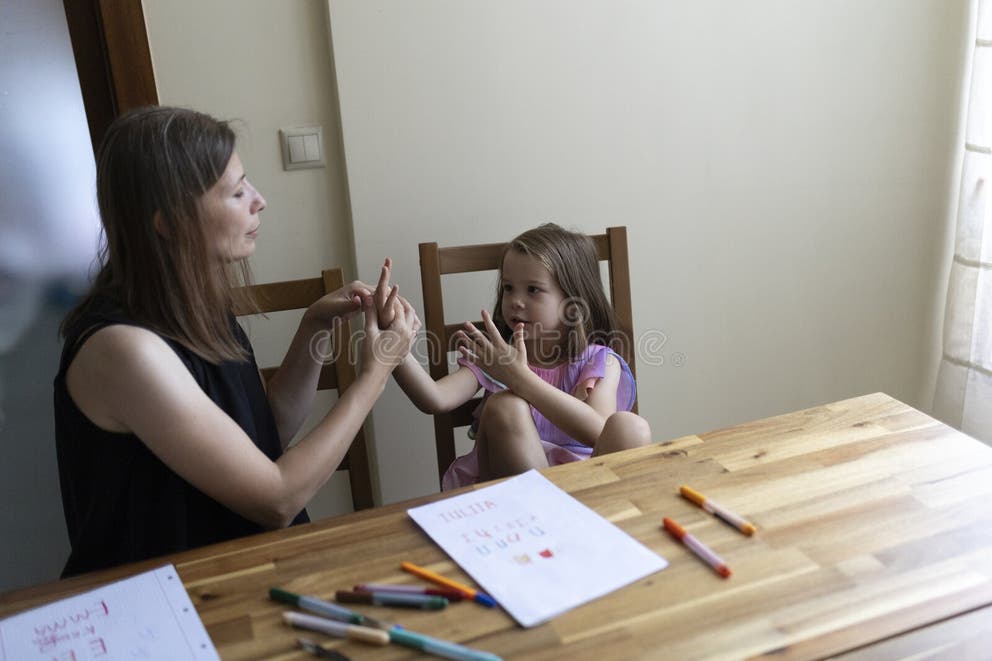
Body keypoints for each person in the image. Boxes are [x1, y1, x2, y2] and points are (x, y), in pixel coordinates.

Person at [54, 106, 416, 577]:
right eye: (237, 191)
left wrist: (314, 327)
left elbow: (267, 436)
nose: (259, 200)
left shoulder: (192, 303)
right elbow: (277, 497)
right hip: (167, 600)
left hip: (235, 572)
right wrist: (374, 375)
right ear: (168, 223)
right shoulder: (126, 349)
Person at [375, 223, 651, 490]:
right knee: (505, 405)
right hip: (518, 494)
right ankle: (552, 513)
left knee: (631, 427)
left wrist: (519, 378)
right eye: (508, 288)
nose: (516, 300)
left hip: (586, 486)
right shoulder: (495, 357)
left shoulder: (599, 361)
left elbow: (597, 430)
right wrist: (394, 344)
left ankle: (593, 522)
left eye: (532, 289)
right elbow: (434, 398)